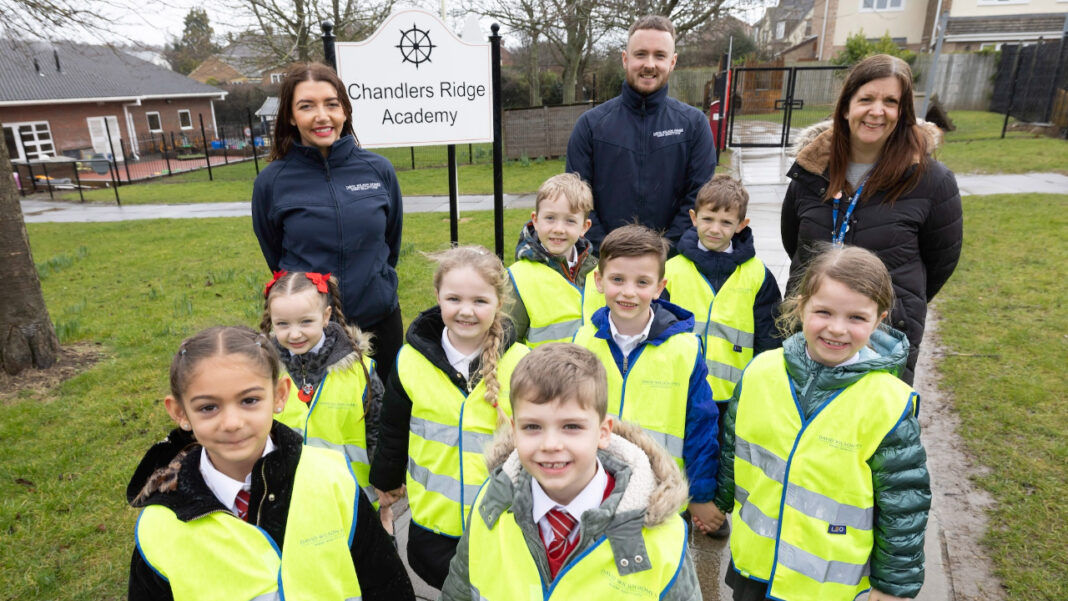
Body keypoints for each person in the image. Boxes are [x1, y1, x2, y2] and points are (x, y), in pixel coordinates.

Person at [126, 326, 414, 601]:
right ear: (180, 412)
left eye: (249, 400)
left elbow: (386, 585)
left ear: (280, 395)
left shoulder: (332, 478)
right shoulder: (159, 527)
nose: (232, 423)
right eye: (208, 407)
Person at [713, 245, 931, 601]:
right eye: (824, 312)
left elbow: (903, 502)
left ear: (878, 320)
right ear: (801, 307)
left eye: (856, 317)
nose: (837, 329)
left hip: (826, 586)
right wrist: (714, 501)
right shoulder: (760, 372)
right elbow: (732, 448)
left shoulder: (889, 403)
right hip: (755, 566)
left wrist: (892, 586)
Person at [438, 343, 701, 601]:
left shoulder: (662, 539)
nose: (551, 445)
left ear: (603, 432)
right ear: (514, 431)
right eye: (532, 427)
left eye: (571, 426)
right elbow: (458, 591)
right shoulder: (490, 506)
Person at [781, 53, 962, 384]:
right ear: (846, 107)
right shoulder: (810, 172)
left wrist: (896, 308)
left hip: (884, 341)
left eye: (890, 102)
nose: (877, 111)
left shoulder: (932, 181)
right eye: (866, 99)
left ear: (903, 113)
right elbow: (795, 244)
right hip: (811, 334)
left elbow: (941, 262)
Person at [369, 246, 531, 589]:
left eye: (480, 301)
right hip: (434, 525)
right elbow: (394, 428)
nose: (466, 311)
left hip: (501, 522)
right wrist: (385, 479)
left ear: (499, 302)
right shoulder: (410, 360)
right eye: (454, 299)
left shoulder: (522, 363)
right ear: (438, 297)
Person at [252, 61, 404, 386]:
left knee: (385, 410)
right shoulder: (272, 182)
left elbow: (390, 245)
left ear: (345, 111)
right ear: (291, 116)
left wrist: (375, 283)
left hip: (380, 323)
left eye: (331, 104)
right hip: (308, 331)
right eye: (307, 106)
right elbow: (275, 255)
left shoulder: (379, 170)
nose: (322, 116)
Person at [571, 224, 723, 537]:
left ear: (659, 287)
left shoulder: (684, 350)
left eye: (642, 282)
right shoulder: (583, 342)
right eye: (617, 279)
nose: (628, 292)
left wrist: (701, 495)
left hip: (661, 496)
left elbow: (701, 425)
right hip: (594, 488)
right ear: (599, 281)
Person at [566, 15, 717, 253]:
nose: (649, 64)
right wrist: (611, 254)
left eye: (660, 55)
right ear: (625, 59)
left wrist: (663, 253)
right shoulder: (590, 126)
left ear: (673, 62)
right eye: (641, 54)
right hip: (605, 264)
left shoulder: (694, 125)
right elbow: (577, 201)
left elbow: (699, 200)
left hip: (673, 264)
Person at [259, 270, 383, 509]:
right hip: (288, 501)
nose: (295, 333)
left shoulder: (359, 370)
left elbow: (377, 428)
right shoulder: (263, 370)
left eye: (306, 322)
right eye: (282, 324)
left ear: (326, 316)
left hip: (353, 499)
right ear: (272, 321)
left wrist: (385, 481)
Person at [665, 174, 782, 401]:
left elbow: (769, 338)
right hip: (680, 390)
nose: (715, 229)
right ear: (694, 218)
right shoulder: (671, 270)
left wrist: (759, 385)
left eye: (726, 222)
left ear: (741, 225)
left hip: (735, 395)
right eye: (708, 219)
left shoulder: (758, 275)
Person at [507, 173, 598, 347]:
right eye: (550, 218)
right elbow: (507, 343)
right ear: (535, 220)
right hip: (539, 365)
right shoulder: (517, 278)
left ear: (584, 227)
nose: (558, 229)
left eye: (570, 221)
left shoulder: (599, 273)